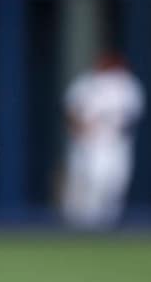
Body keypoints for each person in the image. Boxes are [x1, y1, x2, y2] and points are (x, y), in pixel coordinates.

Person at [58, 50, 145, 230]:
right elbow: (70, 110)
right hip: (87, 143)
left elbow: (131, 117)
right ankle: (79, 229)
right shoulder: (86, 83)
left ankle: (107, 229)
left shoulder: (128, 85)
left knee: (114, 185)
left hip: (115, 143)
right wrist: (80, 128)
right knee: (86, 186)